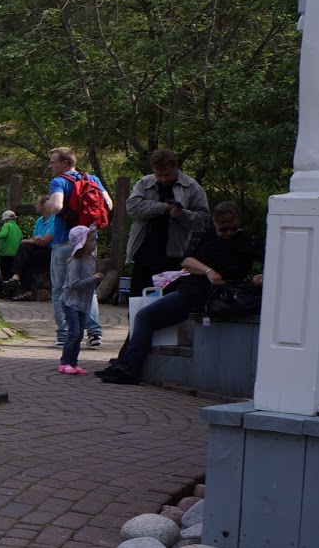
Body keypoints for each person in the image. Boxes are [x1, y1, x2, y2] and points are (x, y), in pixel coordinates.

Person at [100, 202, 262, 385]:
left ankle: (129, 369)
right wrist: (208, 271)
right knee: (144, 314)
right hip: (195, 289)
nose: (228, 234)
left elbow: (272, 258)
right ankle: (122, 364)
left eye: (232, 229)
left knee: (144, 317)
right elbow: (186, 261)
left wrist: (262, 275)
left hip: (214, 296)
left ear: (238, 223)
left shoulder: (248, 239)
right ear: (215, 223)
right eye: (223, 230)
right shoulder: (206, 235)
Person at [39, 148, 105, 348]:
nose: (50, 165)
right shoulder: (92, 179)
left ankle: (65, 335)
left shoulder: (58, 181)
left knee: (60, 289)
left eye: (53, 162)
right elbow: (108, 204)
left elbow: (57, 206)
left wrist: (49, 208)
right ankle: (94, 334)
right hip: (88, 242)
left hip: (64, 241)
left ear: (65, 163)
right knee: (88, 288)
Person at [124, 148, 209, 295]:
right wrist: (162, 207)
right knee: (138, 301)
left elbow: (203, 220)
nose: (163, 179)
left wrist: (182, 215)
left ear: (176, 167)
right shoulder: (144, 183)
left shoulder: (192, 187)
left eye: (167, 175)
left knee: (167, 304)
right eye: (159, 175)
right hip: (144, 255)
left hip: (174, 256)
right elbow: (131, 208)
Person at [57, 226, 102, 375]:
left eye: (95, 239)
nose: (95, 242)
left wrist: (95, 280)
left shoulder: (93, 261)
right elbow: (73, 284)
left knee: (80, 334)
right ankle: (64, 362)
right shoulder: (76, 262)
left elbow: (90, 283)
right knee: (74, 332)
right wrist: (92, 279)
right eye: (91, 240)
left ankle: (74, 362)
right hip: (71, 302)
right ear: (82, 243)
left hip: (83, 303)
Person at [9, 203, 57, 298]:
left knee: (25, 248)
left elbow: (44, 241)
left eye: (37, 204)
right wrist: (35, 240)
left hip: (50, 250)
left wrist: (24, 240)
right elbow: (35, 237)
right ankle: (20, 283)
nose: (35, 206)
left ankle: (19, 280)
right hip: (38, 248)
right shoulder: (39, 220)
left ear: (44, 206)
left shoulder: (54, 220)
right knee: (26, 253)